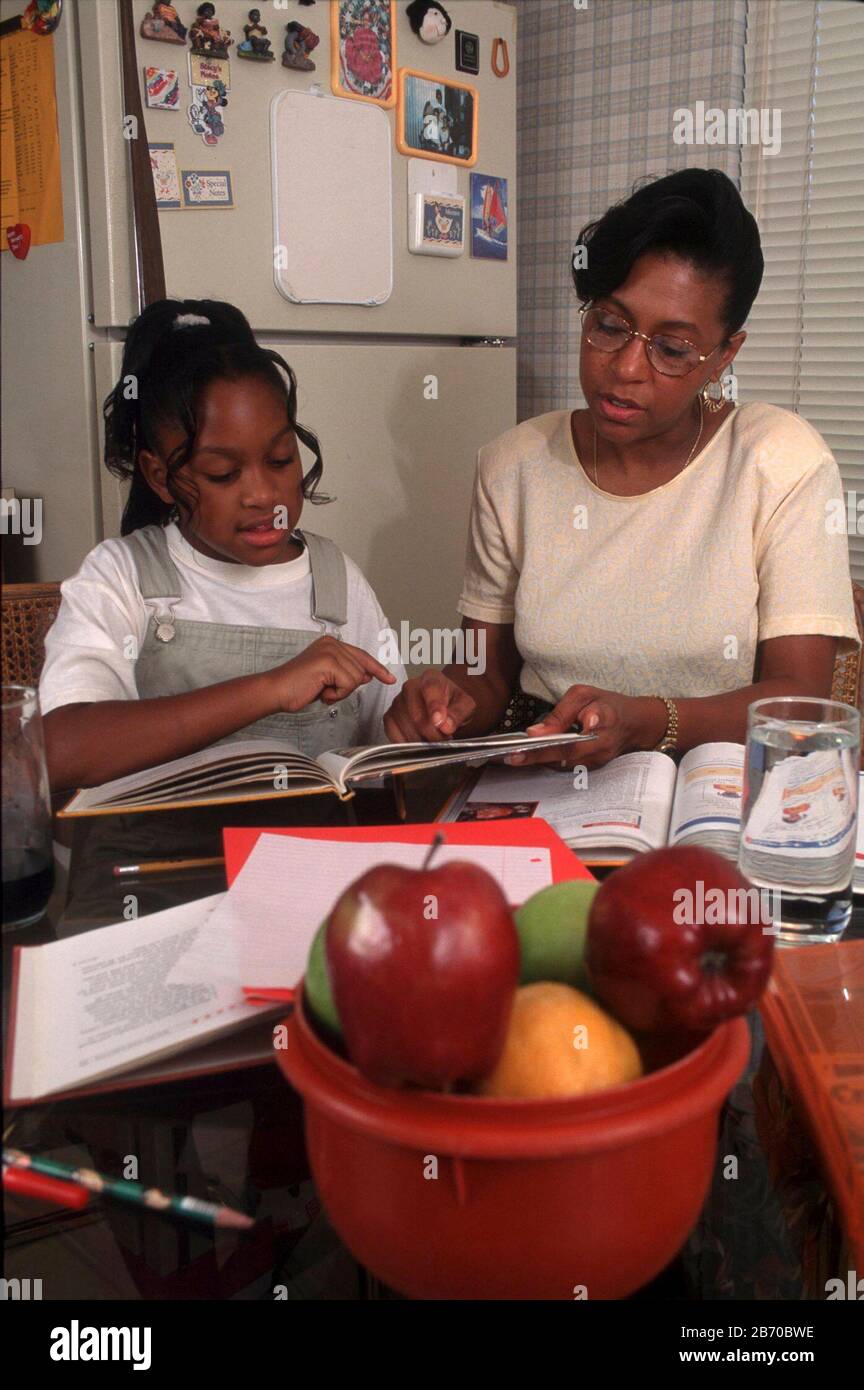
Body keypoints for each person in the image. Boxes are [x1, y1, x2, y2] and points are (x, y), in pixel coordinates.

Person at [384, 169, 858, 764]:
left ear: (723, 356)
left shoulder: (780, 461)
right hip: (548, 779)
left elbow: (798, 701)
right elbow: (485, 679)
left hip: (713, 786)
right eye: (610, 325)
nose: (627, 367)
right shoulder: (513, 466)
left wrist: (646, 722)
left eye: (672, 349)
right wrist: (444, 703)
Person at [40, 299, 404, 790]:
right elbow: (63, 751)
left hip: (306, 857)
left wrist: (415, 722)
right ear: (160, 476)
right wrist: (270, 688)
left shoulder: (337, 582)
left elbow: (384, 747)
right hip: (162, 861)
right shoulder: (122, 579)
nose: (262, 494)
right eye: (223, 473)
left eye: (279, 460)